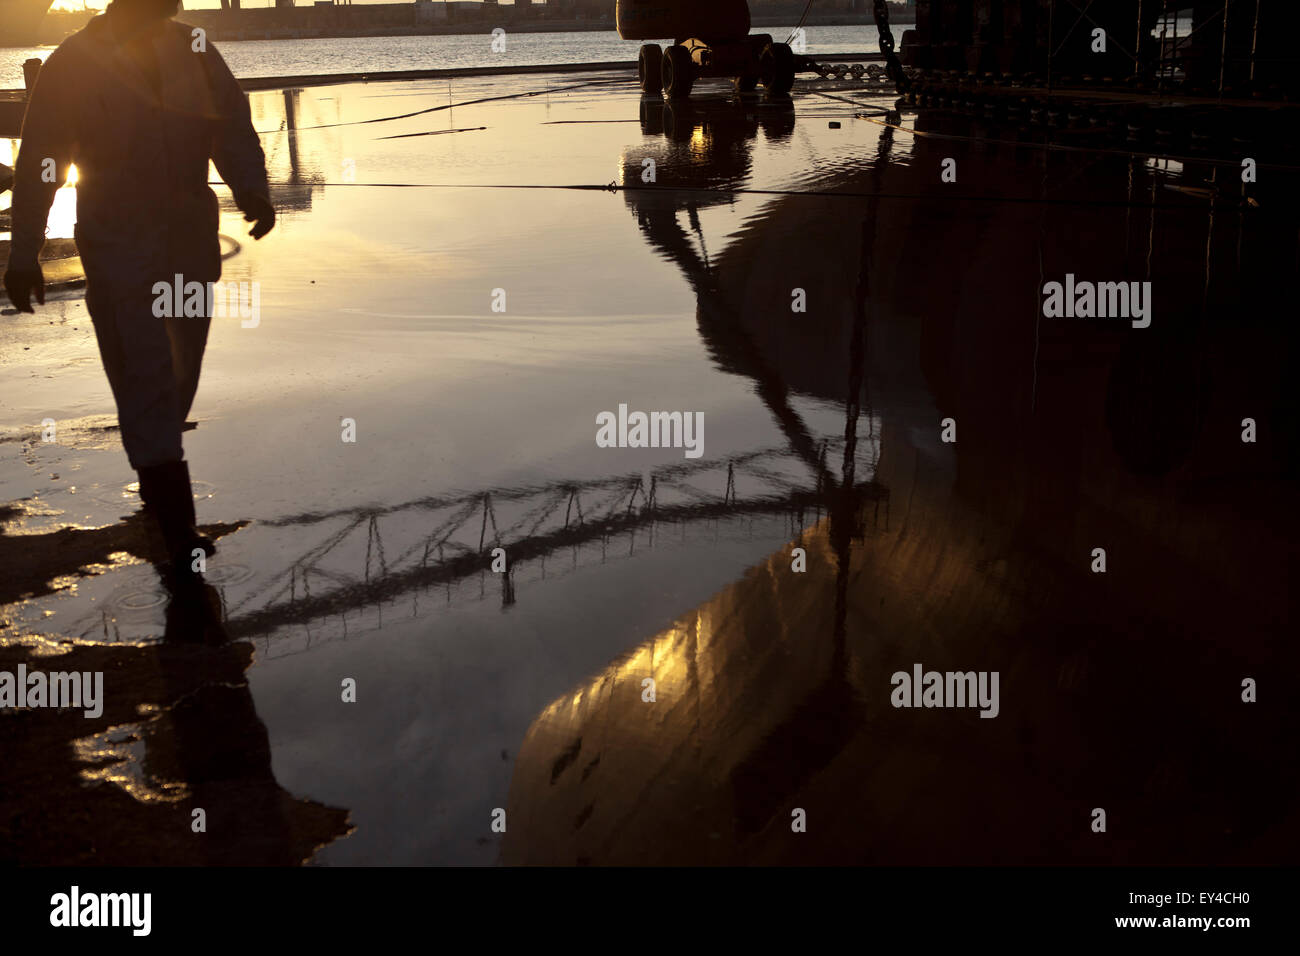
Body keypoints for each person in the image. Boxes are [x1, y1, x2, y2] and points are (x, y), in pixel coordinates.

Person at [3, 0, 274, 576]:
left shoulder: (193, 47)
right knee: (146, 369)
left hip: (188, 241)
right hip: (118, 243)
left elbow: (228, 121)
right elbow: (42, 163)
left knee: (181, 370)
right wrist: (25, 251)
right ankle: (178, 534)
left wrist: (252, 189)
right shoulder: (73, 62)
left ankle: (155, 471)